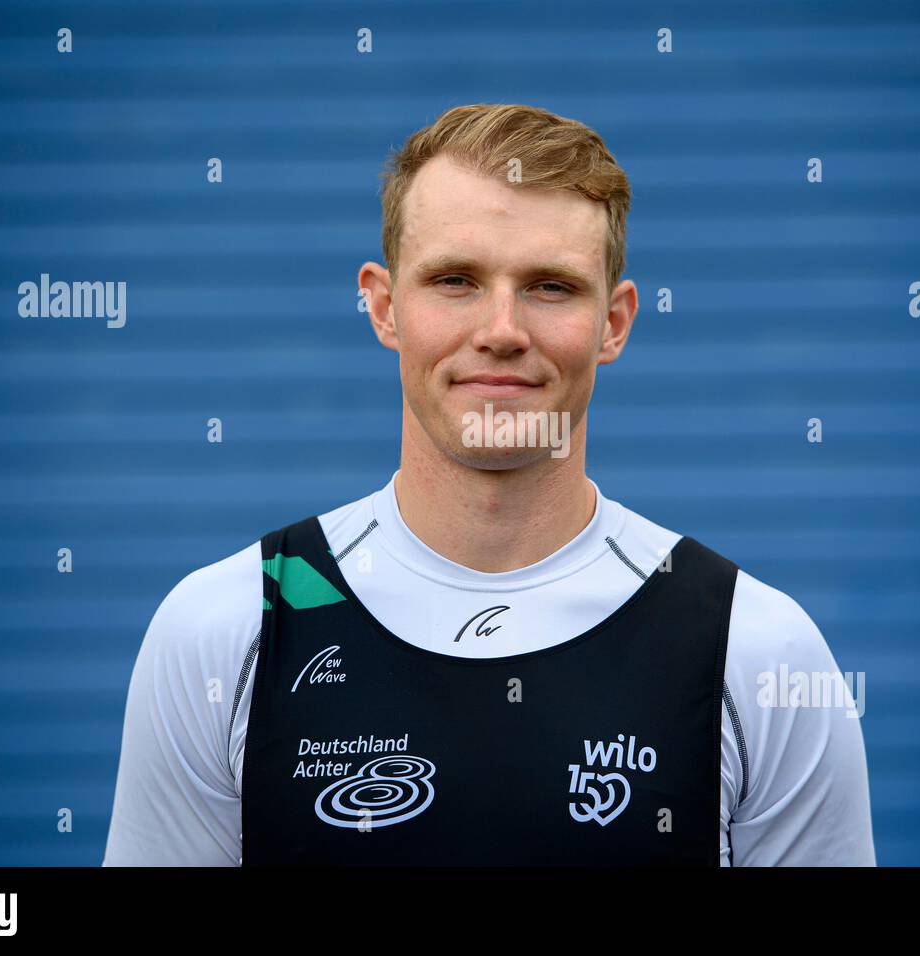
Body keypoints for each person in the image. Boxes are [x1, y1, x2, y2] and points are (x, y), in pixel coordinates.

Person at [102, 103, 876, 866]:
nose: (502, 330)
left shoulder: (758, 652)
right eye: (455, 280)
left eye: (550, 287)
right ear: (382, 306)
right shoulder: (232, 627)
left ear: (614, 321)